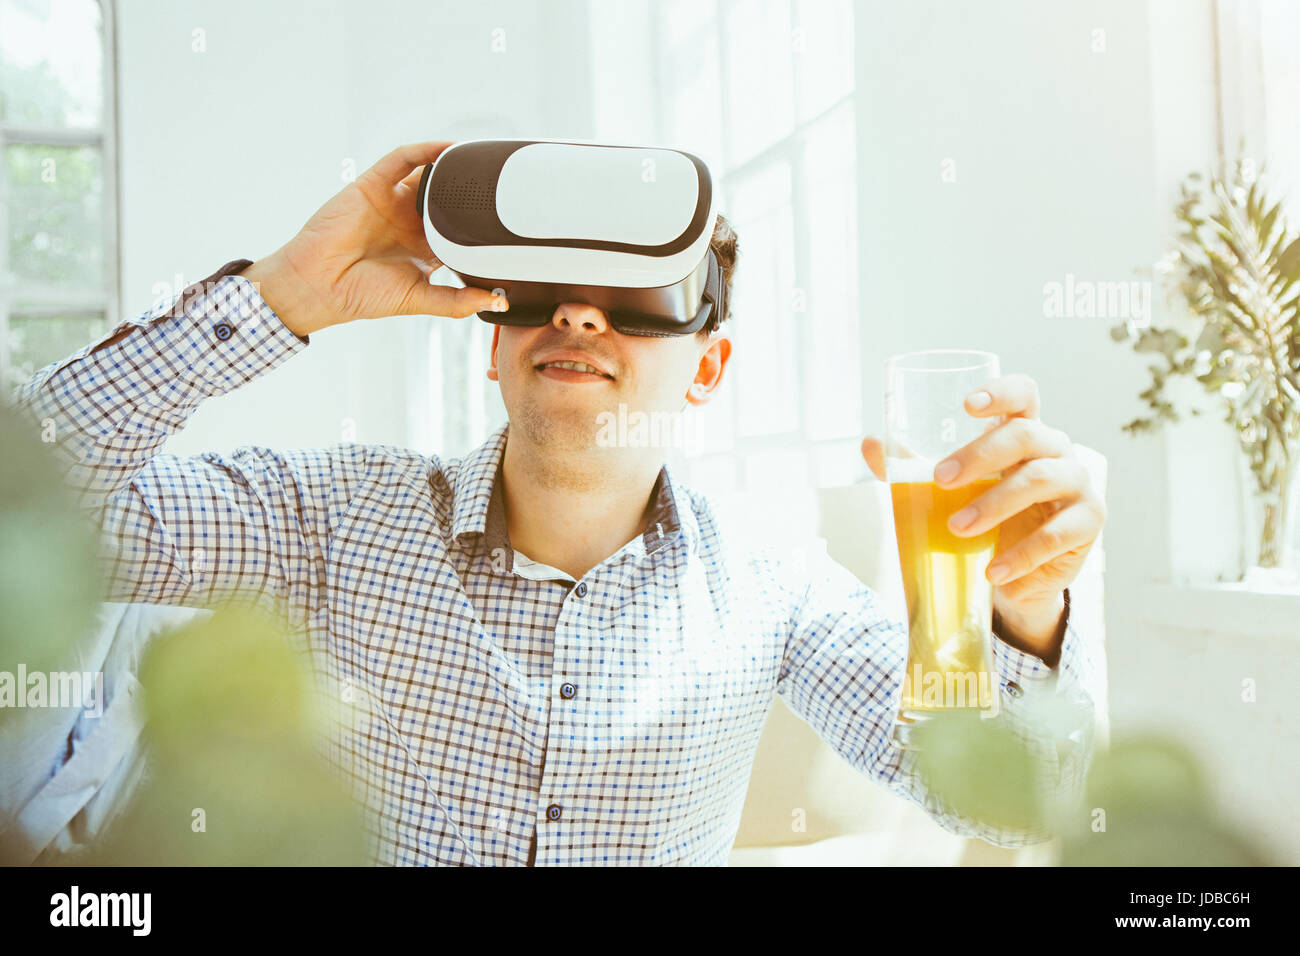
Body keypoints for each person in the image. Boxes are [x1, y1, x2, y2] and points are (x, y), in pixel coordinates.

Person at [15, 141, 1106, 866]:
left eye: (636, 295)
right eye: (541, 286)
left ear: (709, 364)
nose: (580, 314)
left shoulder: (773, 585)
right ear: (493, 337)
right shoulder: (331, 515)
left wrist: (1022, 615)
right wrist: (285, 294)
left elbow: (1006, 795)